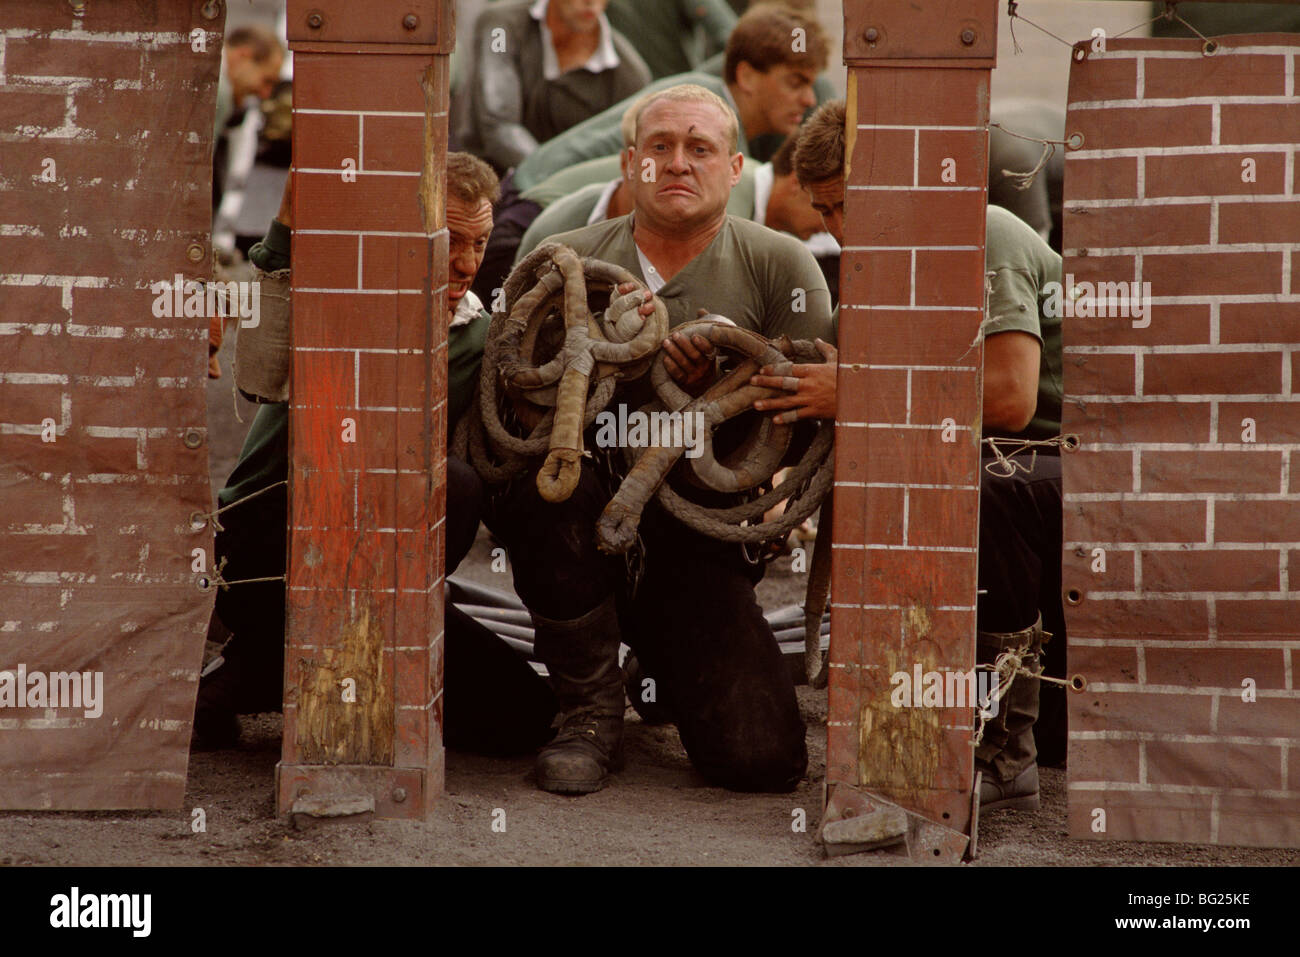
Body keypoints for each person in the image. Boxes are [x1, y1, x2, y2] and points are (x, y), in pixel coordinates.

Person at [481, 84, 833, 796]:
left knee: (762, 762)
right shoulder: (567, 261)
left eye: (700, 148)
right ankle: (589, 713)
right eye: (660, 148)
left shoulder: (782, 264)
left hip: (701, 539)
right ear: (628, 162)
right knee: (549, 487)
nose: (678, 163)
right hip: (576, 528)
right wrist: (592, 352)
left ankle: (658, 659)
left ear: (735, 168)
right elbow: (504, 396)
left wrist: (730, 370)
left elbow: (812, 420)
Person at [751, 100, 1065, 810]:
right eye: (826, 212)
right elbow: (830, 380)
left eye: (852, 204)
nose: (840, 228)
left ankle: (1002, 747)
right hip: (1012, 470)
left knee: (983, 479)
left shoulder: (982, 234)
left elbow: (1011, 400)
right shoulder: (870, 275)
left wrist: (854, 390)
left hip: (1071, 463)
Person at [194, 153, 557, 756]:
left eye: (481, 243)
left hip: (375, 566)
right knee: (455, 485)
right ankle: (275, 664)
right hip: (266, 543)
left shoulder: (479, 336)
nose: (467, 263)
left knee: (524, 718)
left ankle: (250, 678)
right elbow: (289, 230)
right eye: (451, 241)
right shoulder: (334, 293)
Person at [510, 2, 829, 192]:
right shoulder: (699, 108)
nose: (809, 99)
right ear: (745, 76)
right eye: (795, 82)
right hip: (527, 207)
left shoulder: (718, 114)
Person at [516, 130, 827, 260]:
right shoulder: (727, 201)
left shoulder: (746, 190)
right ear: (797, 182)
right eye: (825, 206)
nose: (830, 226)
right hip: (526, 216)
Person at [465, 0, 650, 172]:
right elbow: (499, 125)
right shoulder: (501, 29)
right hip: (484, 177)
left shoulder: (628, 74)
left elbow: (626, 157)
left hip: (571, 192)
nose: (590, 2)